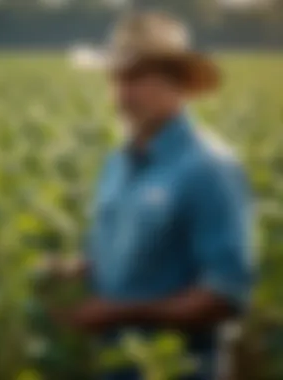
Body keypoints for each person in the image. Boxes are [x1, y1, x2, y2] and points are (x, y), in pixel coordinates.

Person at [47, 12, 255, 380]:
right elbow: (129, 252)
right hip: (114, 368)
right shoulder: (118, 162)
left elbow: (225, 296)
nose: (122, 94)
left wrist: (118, 312)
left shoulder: (209, 168)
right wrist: (76, 269)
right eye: (117, 78)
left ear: (179, 84)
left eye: (137, 78)